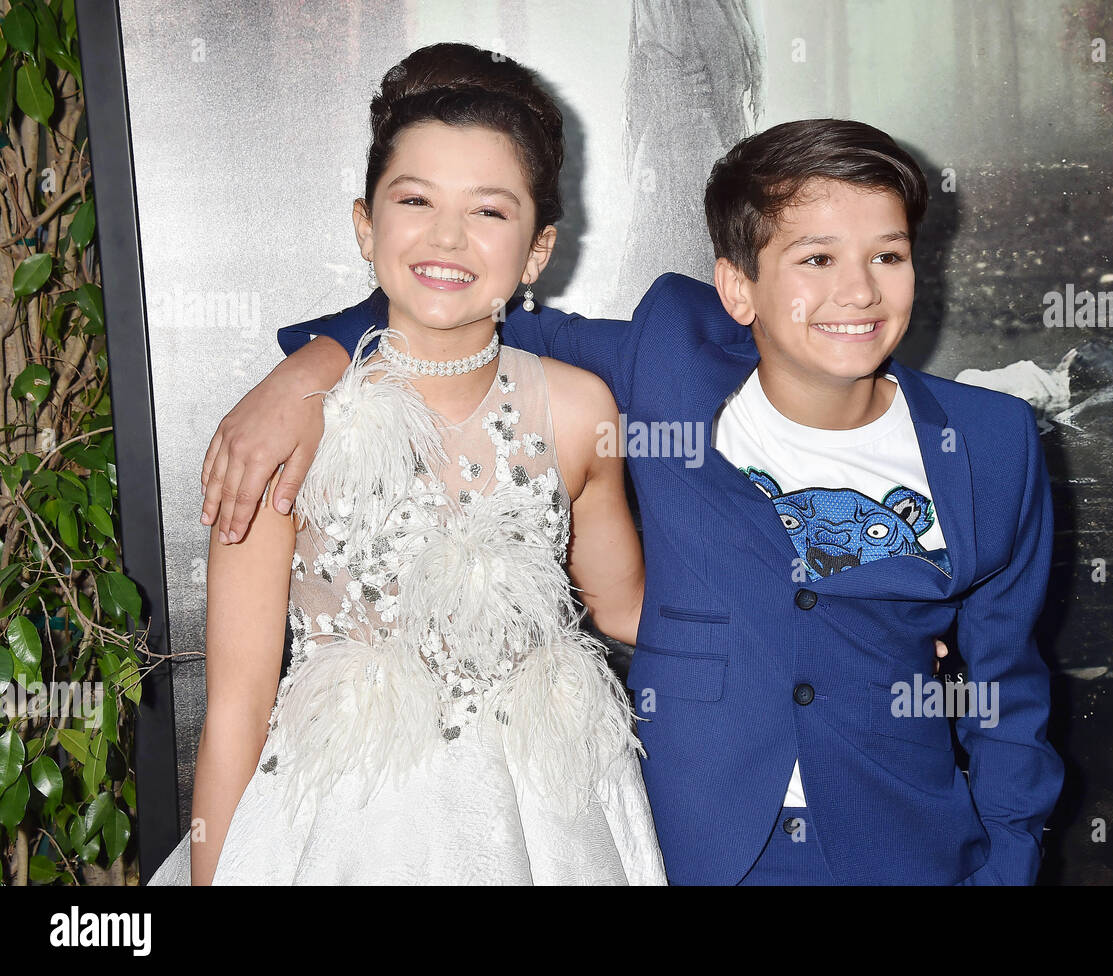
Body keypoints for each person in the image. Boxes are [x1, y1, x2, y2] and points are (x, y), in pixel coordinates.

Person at [204, 112, 1063, 884]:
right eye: (815, 259)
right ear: (737, 289)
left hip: (907, 847)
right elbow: (449, 305)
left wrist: (1007, 867)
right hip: (700, 842)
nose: (858, 291)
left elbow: (1007, 696)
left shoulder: (989, 441)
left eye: (888, 254)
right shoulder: (666, 362)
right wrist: (306, 368)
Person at [148, 44, 666, 885]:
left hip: (553, 826)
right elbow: (237, 705)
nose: (448, 236)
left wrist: (857, 614)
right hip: (335, 824)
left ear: (537, 250)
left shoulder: (578, 410)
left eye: (490, 212)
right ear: (366, 224)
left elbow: (630, 608)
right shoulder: (288, 424)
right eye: (415, 200)